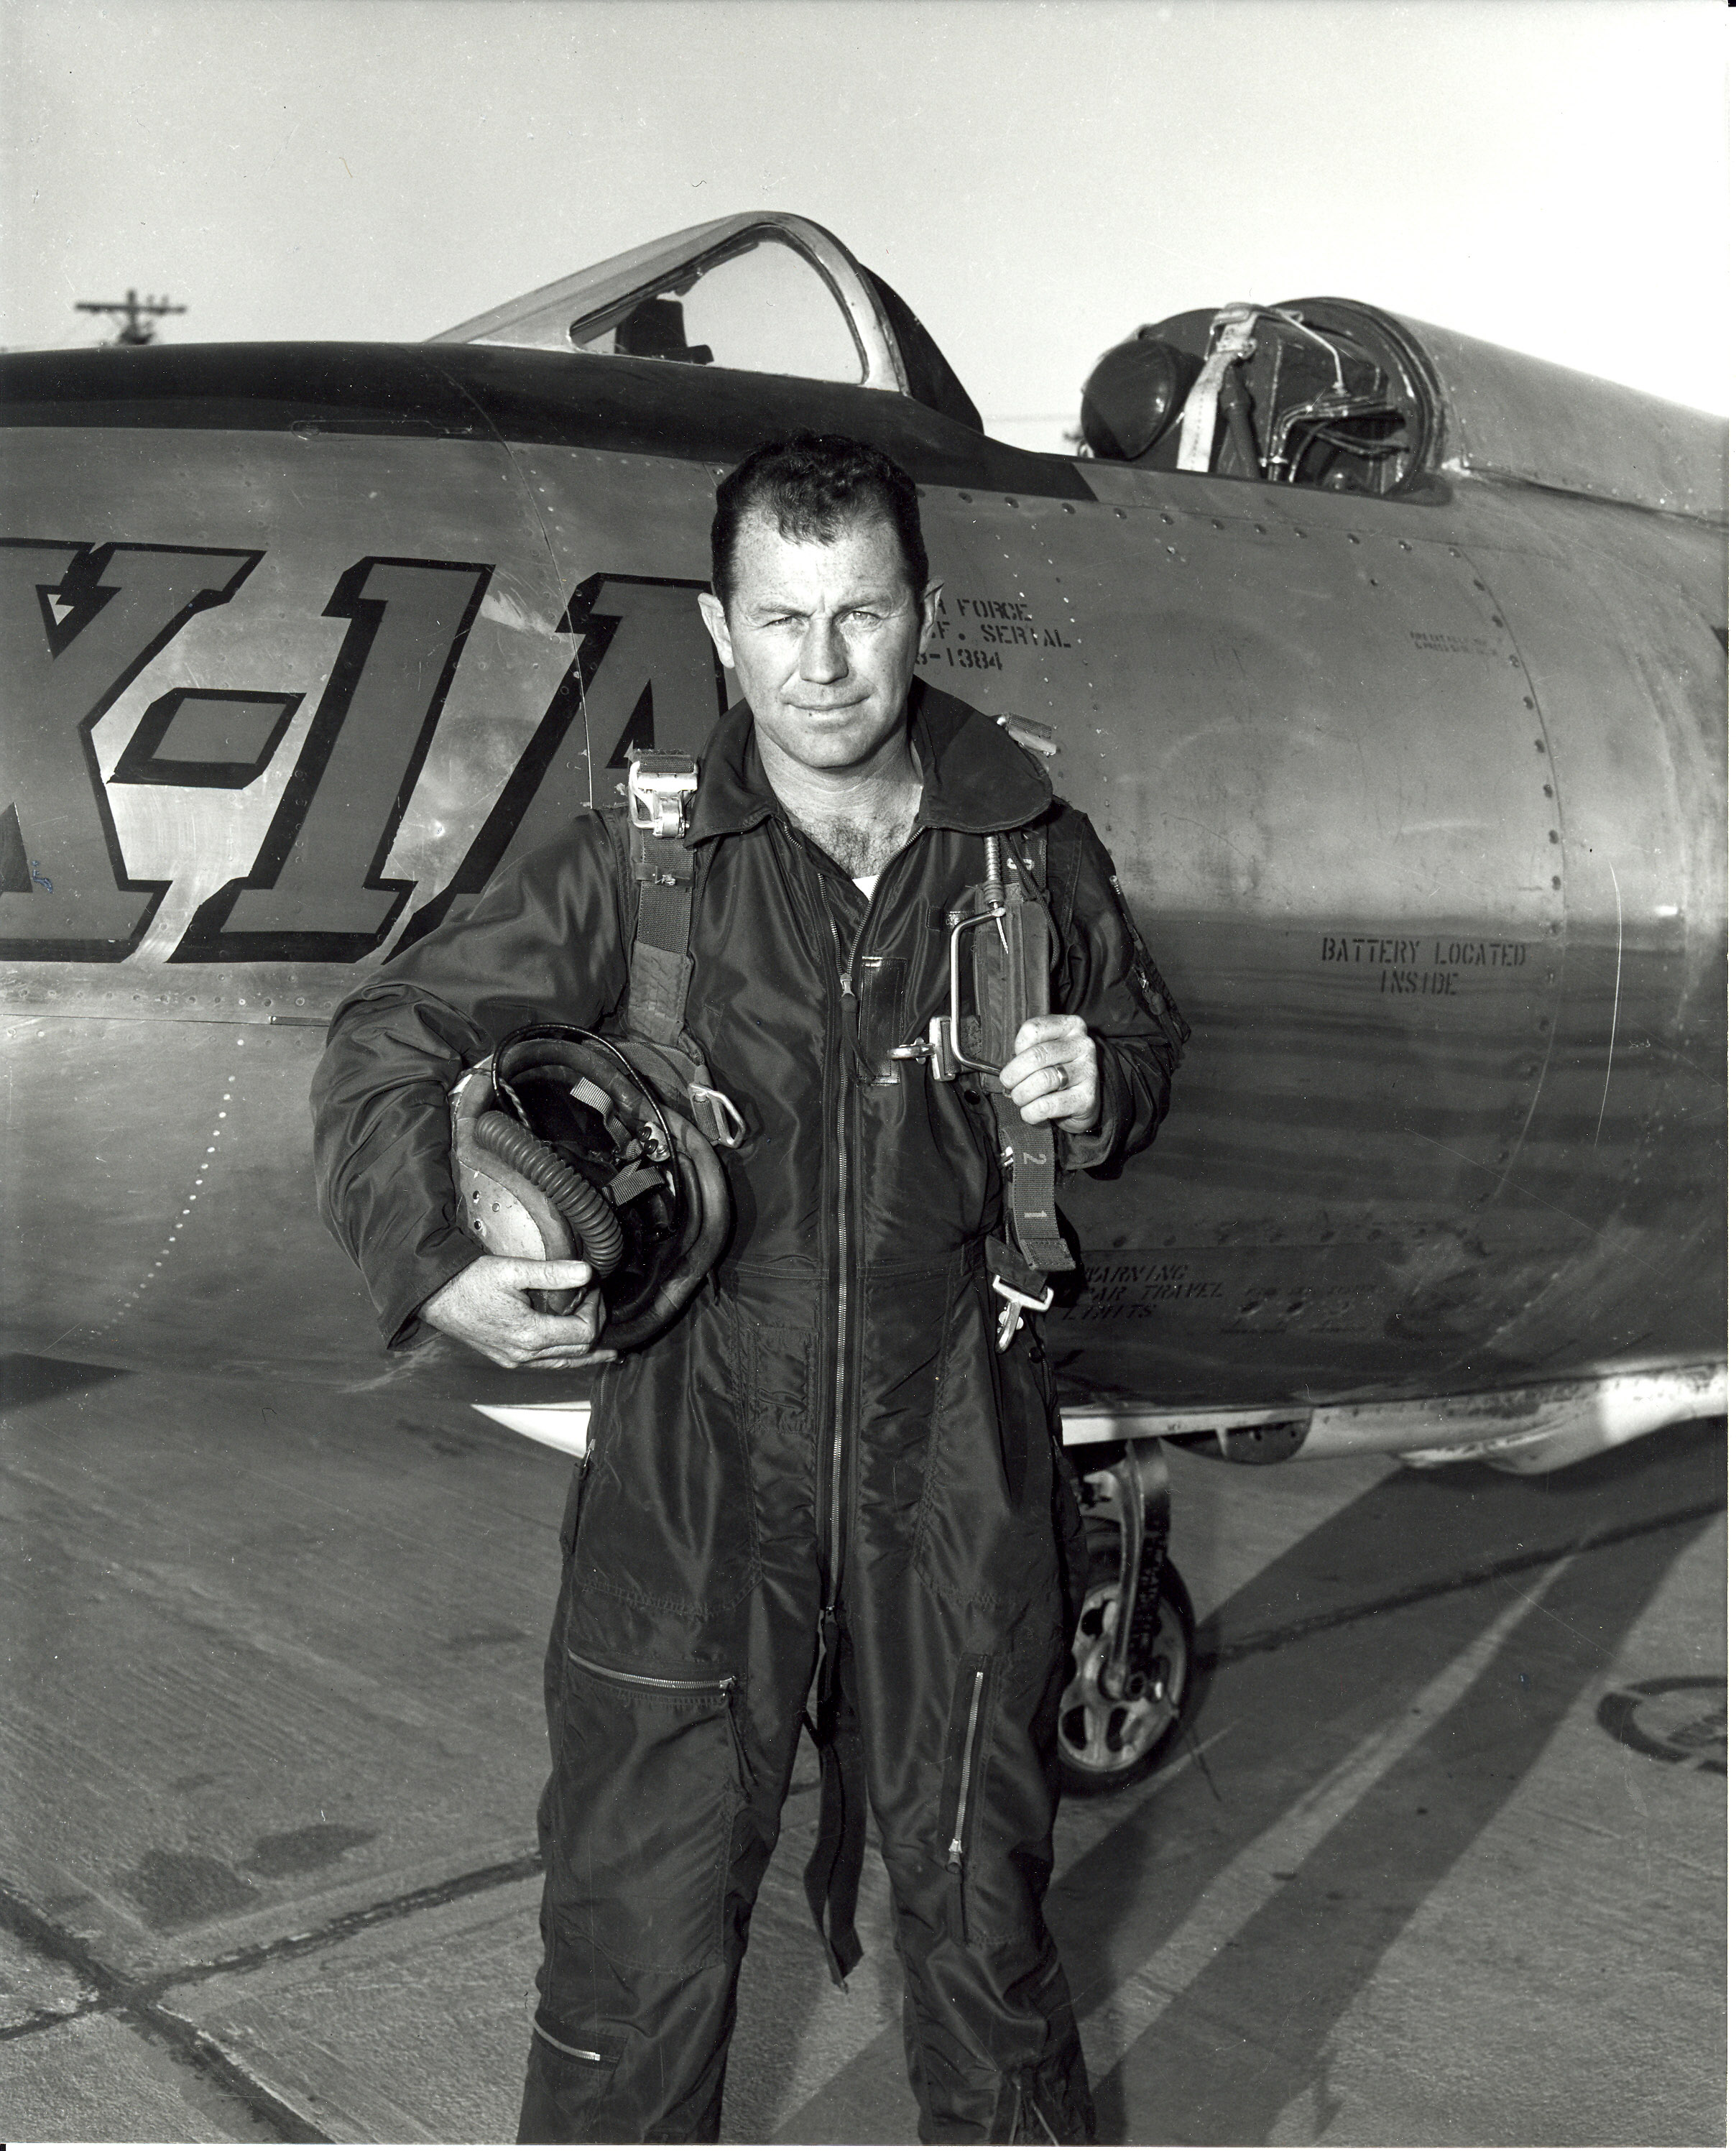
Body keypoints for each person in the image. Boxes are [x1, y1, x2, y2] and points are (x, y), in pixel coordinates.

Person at [311, 433, 1186, 2145]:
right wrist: (438, 1265)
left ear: (921, 613)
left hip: (958, 1433)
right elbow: (385, 1043)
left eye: (859, 613)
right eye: (779, 621)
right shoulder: (640, 866)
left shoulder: (1027, 848)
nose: (822, 667)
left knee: (984, 1932)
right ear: (721, 630)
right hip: (698, 1448)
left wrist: (1105, 1080)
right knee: (635, 1940)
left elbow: (1146, 1046)